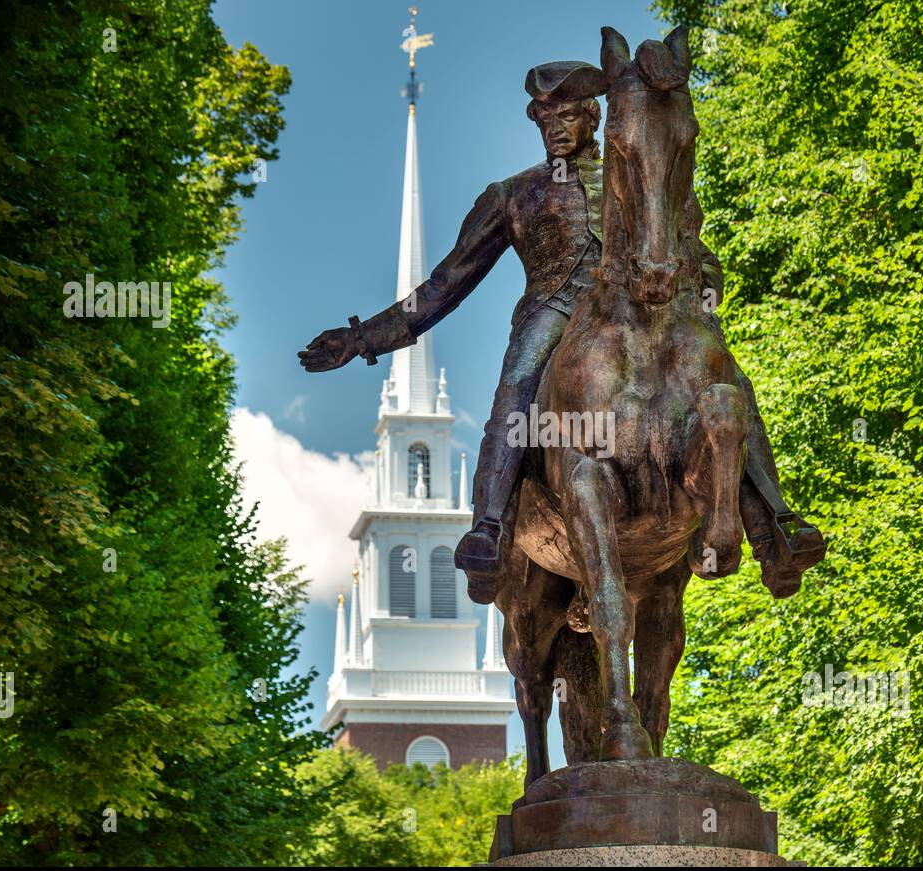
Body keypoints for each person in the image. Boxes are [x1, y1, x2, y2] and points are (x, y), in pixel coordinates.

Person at [298, 60, 822, 603]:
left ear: (593, 117)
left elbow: (697, 251)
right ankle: (490, 528)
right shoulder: (512, 195)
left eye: (568, 114)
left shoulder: (639, 172)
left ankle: (771, 527)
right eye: (545, 119)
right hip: (555, 311)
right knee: (520, 380)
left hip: (644, 314)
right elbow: (442, 285)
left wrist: (700, 287)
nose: (556, 128)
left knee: (722, 374)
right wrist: (363, 338)